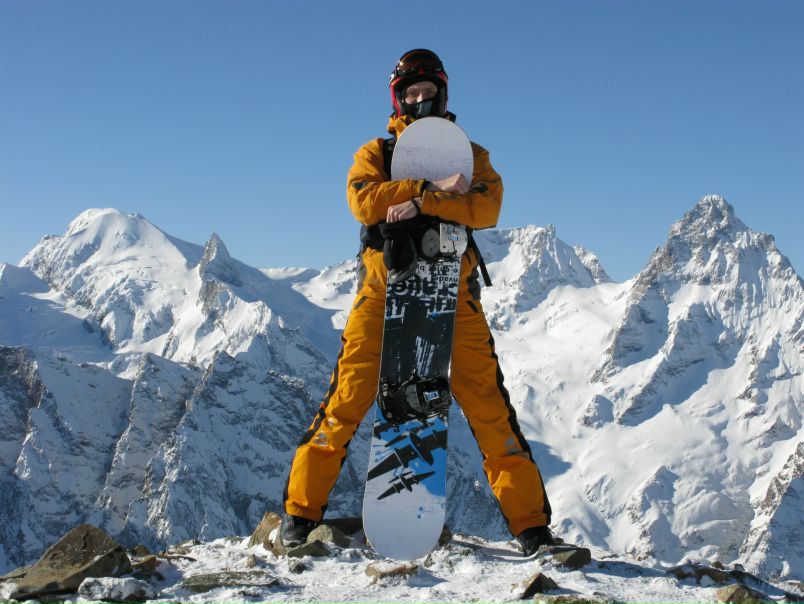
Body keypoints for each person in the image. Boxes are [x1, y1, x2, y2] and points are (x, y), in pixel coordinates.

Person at [281, 49, 554, 556]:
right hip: (381, 292)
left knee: (489, 408)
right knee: (346, 400)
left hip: (453, 292)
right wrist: (434, 187)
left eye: (429, 93)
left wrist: (420, 202)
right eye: (412, 94)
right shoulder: (376, 152)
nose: (421, 101)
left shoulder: (471, 155)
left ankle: (532, 527)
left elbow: (488, 207)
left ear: (443, 95)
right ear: (398, 99)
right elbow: (363, 200)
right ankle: (300, 514)